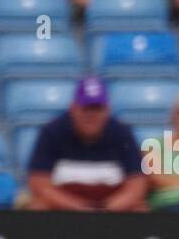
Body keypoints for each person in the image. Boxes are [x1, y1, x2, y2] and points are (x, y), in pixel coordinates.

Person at [26, 76, 148, 211]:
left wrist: (108, 208)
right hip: (64, 206)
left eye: (97, 109)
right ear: (73, 108)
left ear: (107, 110)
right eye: (86, 108)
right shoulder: (52, 132)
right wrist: (79, 208)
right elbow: (39, 183)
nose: (91, 115)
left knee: (140, 208)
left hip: (111, 206)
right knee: (38, 207)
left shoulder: (122, 133)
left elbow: (137, 183)